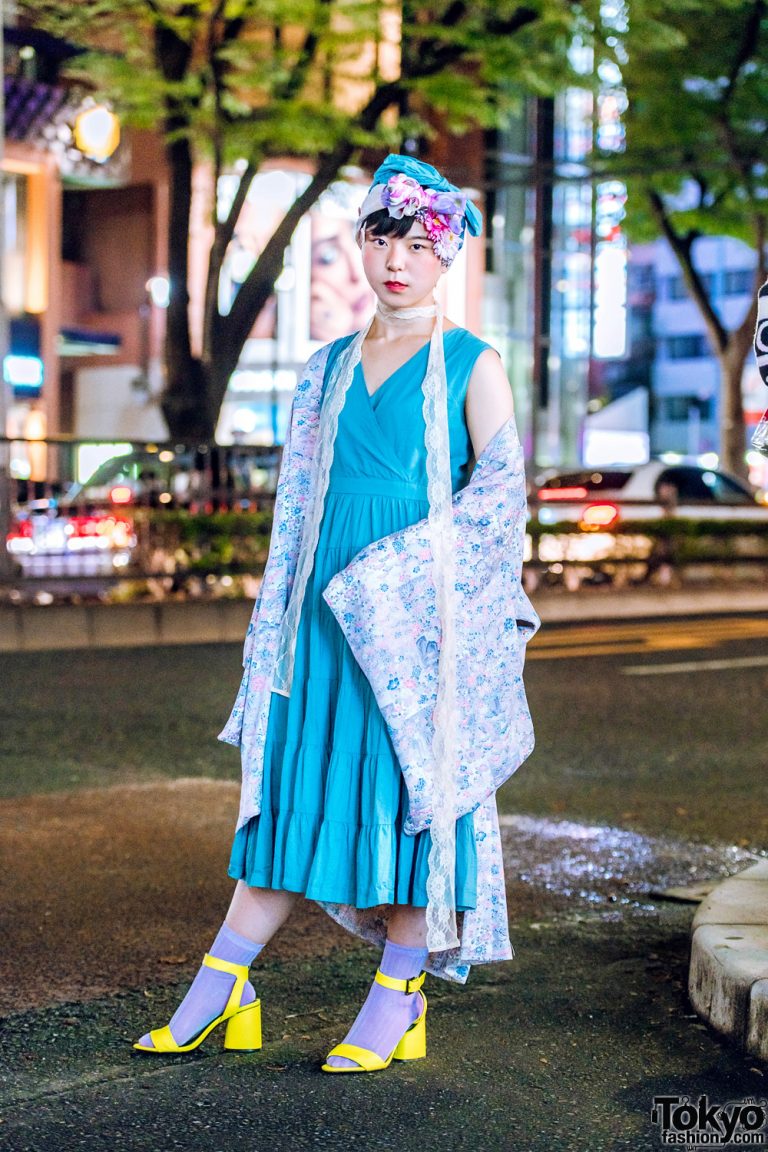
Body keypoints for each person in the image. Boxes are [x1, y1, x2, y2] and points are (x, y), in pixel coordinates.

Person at [134, 154, 539, 1073]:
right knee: (289, 796)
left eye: (420, 242)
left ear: (449, 257)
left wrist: (396, 572)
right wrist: (274, 621)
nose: (398, 258)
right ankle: (225, 980)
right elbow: (295, 507)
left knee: (406, 800)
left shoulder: (474, 365)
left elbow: (501, 503)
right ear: (362, 243)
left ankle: (399, 993)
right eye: (383, 236)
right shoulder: (321, 371)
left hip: (409, 618)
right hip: (319, 615)